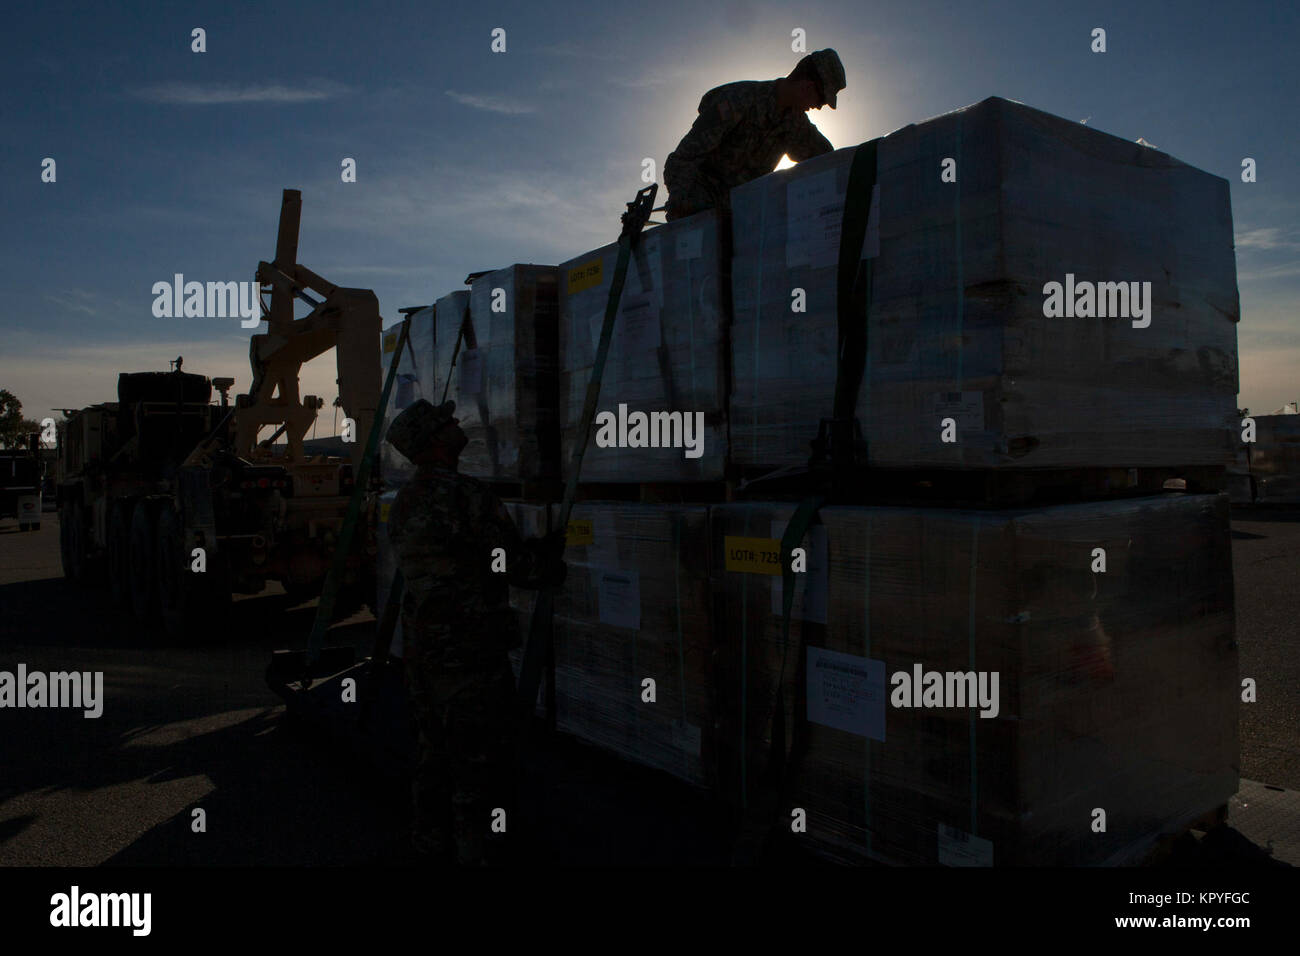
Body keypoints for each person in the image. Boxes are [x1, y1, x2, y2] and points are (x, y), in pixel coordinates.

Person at [385, 398, 564, 865]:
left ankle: (429, 842)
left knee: (433, 753)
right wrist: (548, 560)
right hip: (471, 651)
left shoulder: (403, 502)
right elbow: (512, 565)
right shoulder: (467, 496)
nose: (455, 424)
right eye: (445, 423)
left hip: (424, 650)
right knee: (477, 763)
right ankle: (476, 853)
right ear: (434, 442)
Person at [662, 48, 846, 222]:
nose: (818, 107)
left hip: (744, 220)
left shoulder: (795, 124)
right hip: (701, 216)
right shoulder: (737, 100)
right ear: (807, 87)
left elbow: (829, 161)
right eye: (821, 100)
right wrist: (684, 203)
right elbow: (681, 161)